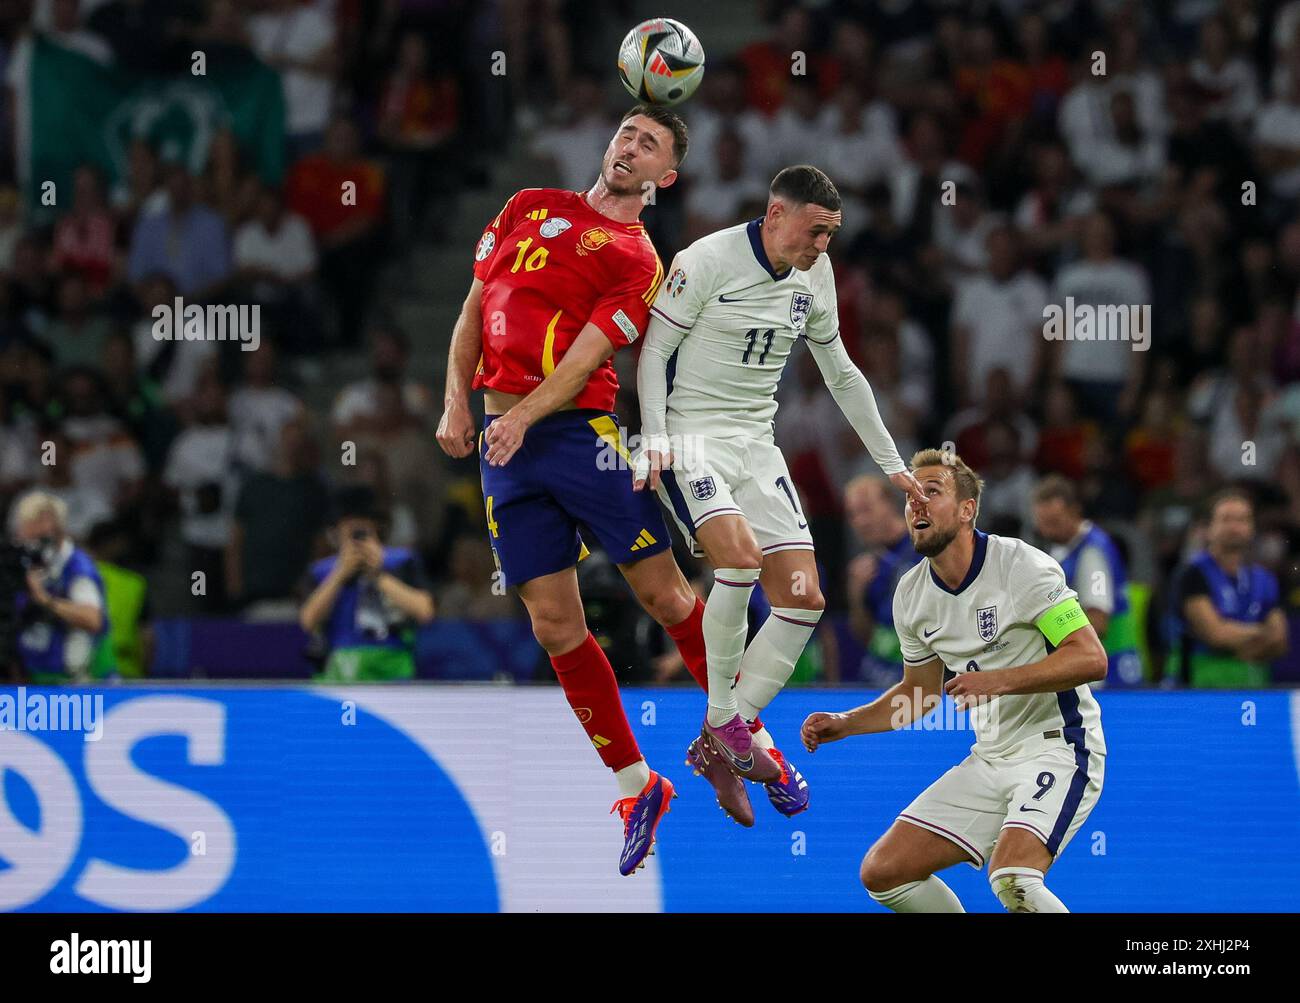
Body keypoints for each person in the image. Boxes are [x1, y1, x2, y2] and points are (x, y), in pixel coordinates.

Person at [436, 105, 717, 876]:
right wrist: (457, 399)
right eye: (627, 133)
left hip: (575, 434)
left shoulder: (637, 255)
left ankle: (738, 724)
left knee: (663, 594)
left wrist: (522, 416)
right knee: (553, 623)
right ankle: (637, 785)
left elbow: (591, 353)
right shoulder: (528, 205)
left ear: (667, 178)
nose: (631, 147)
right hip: (504, 442)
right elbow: (473, 309)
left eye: (650, 145)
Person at [636, 165, 923, 826]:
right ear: (776, 214)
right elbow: (654, 353)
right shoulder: (706, 259)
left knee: (804, 598)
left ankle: (720, 739)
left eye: (831, 234)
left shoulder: (814, 276)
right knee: (736, 562)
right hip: (692, 437)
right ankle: (723, 726)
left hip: (756, 445)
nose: (823, 245)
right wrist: (654, 439)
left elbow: (843, 373)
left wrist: (892, 463)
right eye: (815, 230)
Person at [801, 448, 1108, 913]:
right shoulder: (911, 594)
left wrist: (999, 681)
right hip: (990, 758)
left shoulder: (1022, 566)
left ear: (968, 510)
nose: (916, 505)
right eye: (909, 497)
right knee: (884, 872)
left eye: (931, 492)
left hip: (1059, 746)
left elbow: (1090, 657)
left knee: (1013, 878)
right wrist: (847, 723)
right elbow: (919, 693)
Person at [299, 486, 434, 682]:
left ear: (377, 528)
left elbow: (425, 611)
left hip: (393, 668)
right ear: (336, 532)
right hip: (339, 670)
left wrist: (378, 575)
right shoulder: (322, 571)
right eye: (351, 532)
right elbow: (308, 621)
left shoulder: (401, 561)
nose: (357, 540)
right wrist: (340, 574)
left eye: (363, 531)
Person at [1165, 489, 1288, 687]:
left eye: (1242, 520)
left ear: (1252, 527)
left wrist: (1239, 636)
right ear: (1208, 528)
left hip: (1253, 688)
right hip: (1198, 687)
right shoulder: (1193, 574)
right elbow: (1216, 634)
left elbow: (1280, 640)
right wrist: (1262, 632)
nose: (1235, 527)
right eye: (1226, 519)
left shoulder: (1264, 578)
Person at [1032, 475, 1143, 685]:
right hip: (1093, 663)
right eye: (1043, 523)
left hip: (1108, 669)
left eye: (1054, 522)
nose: (1047, 531)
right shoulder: (1062, 549)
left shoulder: (1093, 553)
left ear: (1074, 511)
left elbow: (1098, 620)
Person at [8, 489, 109, 684]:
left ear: (58, 531)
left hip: (81, 684)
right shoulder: (25, 564)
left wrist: (45, 600)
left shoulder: (77, 567)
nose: (30, 544)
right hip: (35, 679)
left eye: (38, 537)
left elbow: (92, 619)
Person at [844, 474, 922, 686]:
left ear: (890, 504)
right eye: (853, 514)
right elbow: (864, 637)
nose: (860, 521)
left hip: (918, 685)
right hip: (875, 680)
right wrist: (856, 595)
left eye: (866, 510)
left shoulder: (925, 549)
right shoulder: (866, 564)